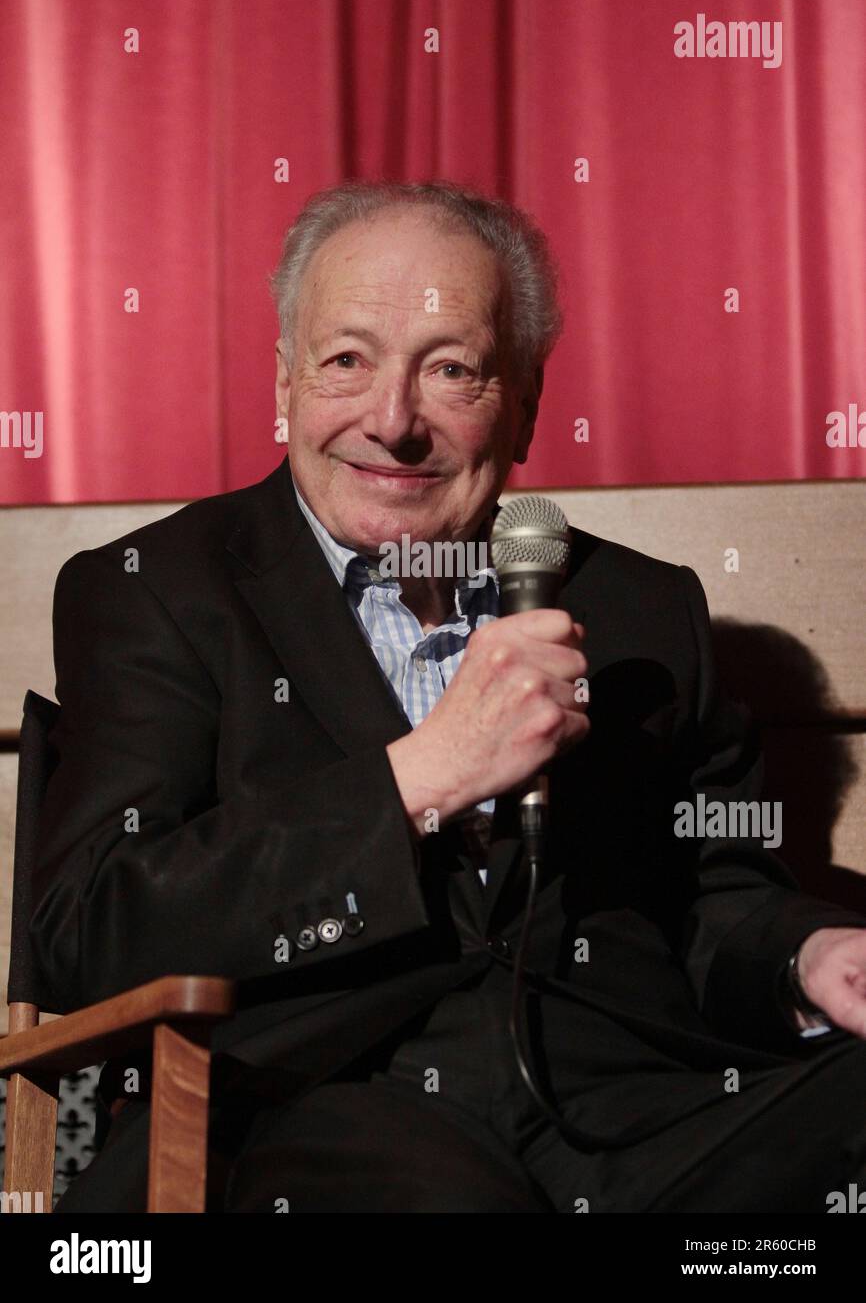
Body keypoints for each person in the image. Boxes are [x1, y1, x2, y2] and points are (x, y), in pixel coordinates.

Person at [40, 180, 866, 1214]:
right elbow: (88, 929)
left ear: (522, 403)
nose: (392, 421)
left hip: (632, 1124)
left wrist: (805, 954)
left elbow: (708, 898)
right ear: (284, 383)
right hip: (317, 1111)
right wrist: (416, 779)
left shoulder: (641, 610)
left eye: (451, 371)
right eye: (346, 361)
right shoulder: (159, 591)